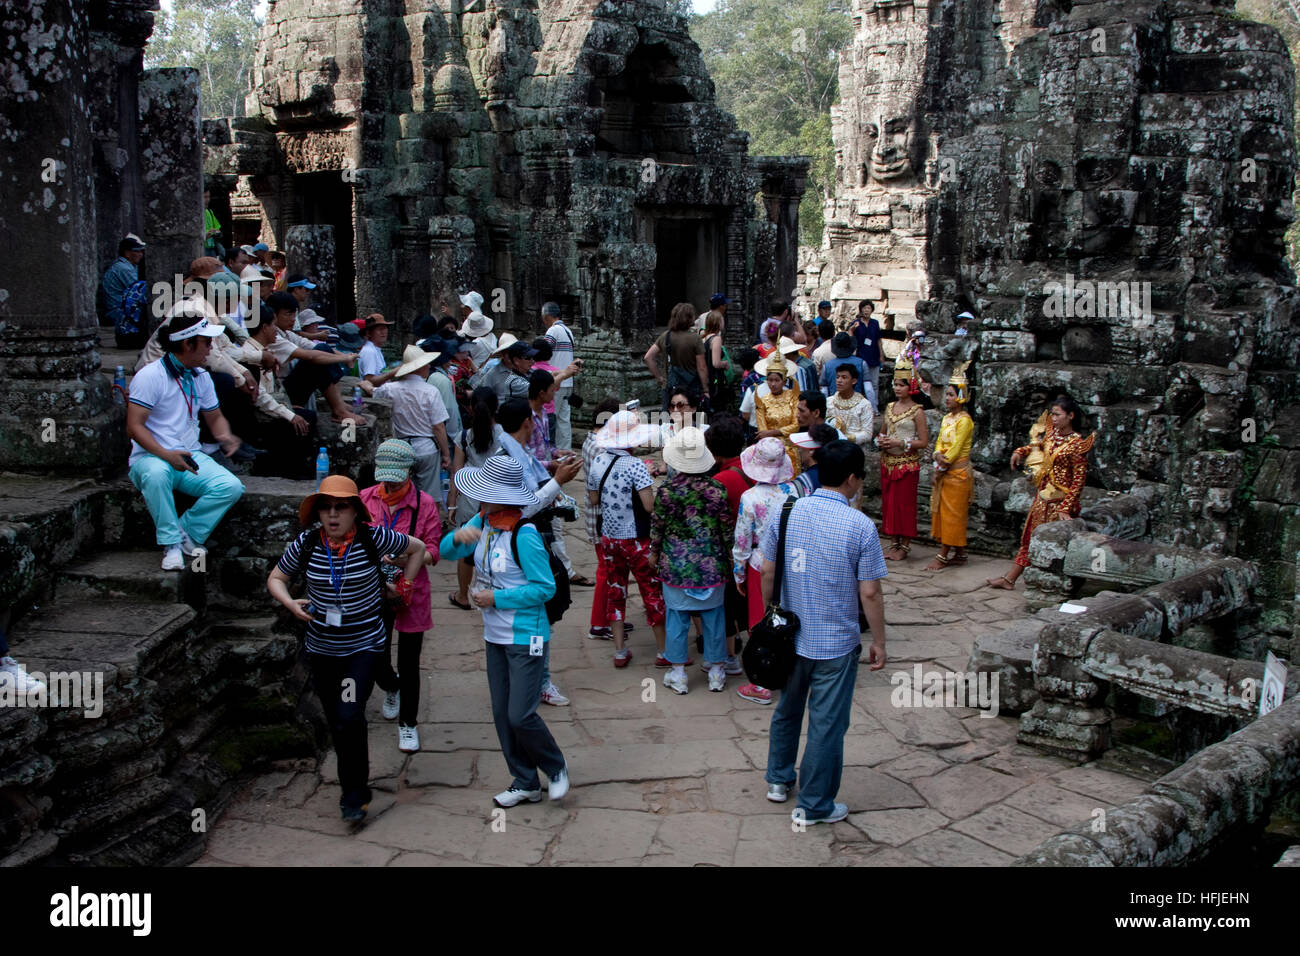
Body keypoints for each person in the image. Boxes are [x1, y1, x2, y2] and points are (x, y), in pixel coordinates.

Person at [268, 476, 427, 822]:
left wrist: (406, 585)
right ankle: (353, 785)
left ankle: (355, 796)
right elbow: (276, 578)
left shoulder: (374, 538)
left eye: (341, 507)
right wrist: (290, 604)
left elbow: (418, 548)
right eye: (326, 508)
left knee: (350, 715)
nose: (333, 515)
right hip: (322, 649)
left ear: (356, 511)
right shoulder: (306, 544)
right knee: (338, 722)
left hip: (362, 647)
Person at [761, 440, 887, 822]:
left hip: (789, 635)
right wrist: (879, 640)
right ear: (852, 479)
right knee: (827, 723)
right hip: (834, 640)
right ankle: (814, 804)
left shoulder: (786, 511)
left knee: (788, 709)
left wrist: (772, 611)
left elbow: (767, 571)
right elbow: (870, 591)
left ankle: (779, 780)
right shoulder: (860, 526)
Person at [439, 457, 570, 808]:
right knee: (501, 712)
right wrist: (458, 536)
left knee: (520, 714)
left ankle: (555, 767)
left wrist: (497, 597)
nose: (480, 499)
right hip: (493, 635)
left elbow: (545, 589)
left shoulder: (524, 535)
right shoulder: (483, 522)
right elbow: (445, 550)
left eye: (487, 493)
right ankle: (524, 780)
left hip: (526, 634)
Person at [126, 306, 247, 570]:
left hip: (190, 455)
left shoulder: (201, 376)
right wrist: (166, 454)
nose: (210, 348)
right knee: (157, 475)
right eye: (206, 342)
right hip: (150, 457)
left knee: (231, 486)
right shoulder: (149, 376)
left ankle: (186, 533)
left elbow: (213, 416)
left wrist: (226, 436)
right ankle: (170, 545)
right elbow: (134, 427)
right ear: (187, 344)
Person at [360, 440, 442, 753]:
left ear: (408, 472)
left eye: (396, 476)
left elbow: (433, 549)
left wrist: (408, 560)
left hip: (412, 589)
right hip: (375, 587)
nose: (390, 483)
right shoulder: (364, 500)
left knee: (409, 660)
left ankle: (408, 723)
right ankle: (390, 686)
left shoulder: (424, 504)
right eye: (386, 477)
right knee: (376, 653)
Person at [650, 428, 734, 695]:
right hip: (712, 564)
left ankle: (678, 673)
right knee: (714, 616)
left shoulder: (666, 492)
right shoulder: (717, 490)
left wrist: (654, 553)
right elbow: (726, 529)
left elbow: (658, 529)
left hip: (675, 566)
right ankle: (717, 670)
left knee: (677, 617)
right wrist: (731, 556)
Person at [988, 396, 1096, 590]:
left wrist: (1066, 507)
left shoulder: (1077, 445)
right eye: (1052, 414)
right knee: (1029, 538)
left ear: (1070, 416)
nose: (1053, 418)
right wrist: (1020, 451)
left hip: (1061, 503)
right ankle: (1010, 579)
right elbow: (1036, 446)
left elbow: (1079, 481)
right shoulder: (1052, 435)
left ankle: (1057, 585)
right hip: (1043, 498)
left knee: (1055, 545)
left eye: (1057, 414)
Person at [586, 409, 667, 668]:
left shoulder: (598, 462)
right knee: (651, 591)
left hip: (610, 538)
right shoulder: (635, 465)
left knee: (616, 590)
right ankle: (663, 651)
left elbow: (594, 499)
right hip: (636, 540)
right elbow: (649, 506)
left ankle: (620, 651)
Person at [731, 436, 800, 706]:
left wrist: (739, 571)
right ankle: (789, 669)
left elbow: (742, 539)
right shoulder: (794, 492)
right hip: (790, 561)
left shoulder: (750, 498)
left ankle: (761, 681)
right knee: (786, 614)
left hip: (760, 562)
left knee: (760, 619)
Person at [526, 369, 593, 590]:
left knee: (554, 525)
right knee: (543, 526)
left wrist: (557, 453)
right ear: (541, 392)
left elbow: (544, 447)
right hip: (532, 480)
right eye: (552, 390)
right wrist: (552, 465)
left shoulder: (543, 414)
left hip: (545, 476)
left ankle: (564, 569)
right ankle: (560, 570)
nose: (554, 394)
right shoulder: (526, 417)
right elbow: (525, 456)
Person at [262, 291, 364, 425]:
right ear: (274, 316)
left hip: (290, 387)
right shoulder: (275, 338)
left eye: (294, 314)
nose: (293, 319)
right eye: (288, 314)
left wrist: (346, 356)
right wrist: (343, 359)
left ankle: (340, 405)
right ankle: (338, 411)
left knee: (323, 348)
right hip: (281, 393)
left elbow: (311, 346)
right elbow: (309, 355)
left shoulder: (288, 334)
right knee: (319, 355)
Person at [367, 345, 451, 505]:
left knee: (401, 495)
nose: (428, 366)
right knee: (428, 496)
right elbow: (438, 426)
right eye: (425, 364)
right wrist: (446, 454)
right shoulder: (431, 391)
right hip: (426, 447)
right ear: (419, 367)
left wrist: (390, 374)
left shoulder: (390, 389)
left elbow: (368, 387)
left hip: (401, 448)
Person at [447, 387, 503, 612]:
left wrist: (452, 503)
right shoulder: (505, 434)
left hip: (470, 497)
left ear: (471, 408)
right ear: (495, 408)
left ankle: (462, 594)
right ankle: (496, 592)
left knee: (466, 547)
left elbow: (456, 472)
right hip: (498, 497)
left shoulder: (464, 436)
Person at [704, 414, 753, 667]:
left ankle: (729, 658)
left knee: (727, 606)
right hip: (754, 550)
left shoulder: (721, 481)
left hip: (730, 552)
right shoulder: (750, 469)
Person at [876, 352, 929, 561]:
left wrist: (900, 443)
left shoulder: (917, 411)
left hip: (906, 464)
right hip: (888, 462)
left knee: (904, 505)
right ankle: (893, 542)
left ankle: (905, 545)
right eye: (895, 384)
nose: (897, 388)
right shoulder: (890, 407)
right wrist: (881, 441)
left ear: (911, 387)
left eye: (902, 385)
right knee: (890, 504)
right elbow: (882, 431)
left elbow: (923, 442)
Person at [927, 362, 975, 571]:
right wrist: (937, 455)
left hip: (957, 471)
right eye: (946, 395)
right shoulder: (947, 418)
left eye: (951, 395)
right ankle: (960, 553)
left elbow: (955, 449)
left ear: (961, 396)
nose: (947, 398)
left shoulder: (965, 421)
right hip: (945, 468)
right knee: (946, 513)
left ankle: (943, 554)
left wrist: (942, 463)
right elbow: (940, 442)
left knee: (953, 515)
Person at [644, 302, 708, 411]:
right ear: (689, 318)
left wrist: (660, 378)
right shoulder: (695, 339)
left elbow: (648, 358)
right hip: (691, 387)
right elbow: (701, 367)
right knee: (691, 422)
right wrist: (706, 389)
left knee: (668, 421)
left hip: (670, 387)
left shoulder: (666, 336)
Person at [754, 351, 802, 476]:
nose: (773, 384)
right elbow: (762, 431)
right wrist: (769, 436)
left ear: (784, 381)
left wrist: (774, 432)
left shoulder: (793, 397)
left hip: (790, 449)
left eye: (777, 380)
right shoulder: (763, 401)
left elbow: (796, 425)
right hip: (770, 450)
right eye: (770, 380)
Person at [540, 302, 580, 451]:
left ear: (547, 316)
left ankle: (550, 451)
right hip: (567, 381)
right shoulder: (568, 331)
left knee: (550, 417)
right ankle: (566, 451)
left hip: (556, 381)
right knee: (564, 420)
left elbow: (543, 351)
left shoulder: (553, 331)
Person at [98, 234, 147, 347]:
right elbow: (140, 290)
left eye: (141, 251)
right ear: (127, 253)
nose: (141, 254)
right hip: (116, 311)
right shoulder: (123, 268)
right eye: (137, 251)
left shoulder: (129, 266)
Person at [826, 363, 874, 449]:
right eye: (837, 377)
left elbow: (867, 434)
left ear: (854, 381)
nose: (839, 380)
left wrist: (845, 438)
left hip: (854, 449)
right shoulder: (829, 401)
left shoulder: (864, 404)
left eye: (844, 377)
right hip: (832, 448)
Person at [478, 336, 536, 405]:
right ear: (502, 354)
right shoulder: (492, 374)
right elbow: (481, 394)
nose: (509, 354)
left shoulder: (526, 369)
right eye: (506, 352)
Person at [821, 332, 872, 403]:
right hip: (856, 404)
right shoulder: (861, 363)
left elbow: (824, 391)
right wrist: (873, 407)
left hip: (834, 405)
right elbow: (869, 389)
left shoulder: (827, 366)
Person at [791, 423, 840, 497]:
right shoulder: (840, 474)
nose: (799, 450)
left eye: (800, 447)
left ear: (811, 450)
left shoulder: (803, 480)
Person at [849, 299, 883, 406]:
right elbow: (850, 338)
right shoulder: (856, 323)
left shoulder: (875, 323)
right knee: (860, 383)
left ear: (872, 310)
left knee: (874, 383)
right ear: (861, 310)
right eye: (864, 308)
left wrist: (881, 354)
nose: (866, 311)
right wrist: (852, 330)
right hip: (861, 356)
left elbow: (878, 339)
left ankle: (874, 406)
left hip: (874, 355)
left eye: (868, 308)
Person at [701, 309, 734, 412]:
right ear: (718, 323)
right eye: (722, 320)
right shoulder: (716, 339)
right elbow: (716, 363)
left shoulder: (704, 337)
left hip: (707, 377)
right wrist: (725, 364)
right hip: (715, 379)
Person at [357, 314, 396, 385]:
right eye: (380, 329)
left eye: (385, 328)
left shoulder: (375, 349)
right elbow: (369, 380)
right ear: (369, 333)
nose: (383, 332)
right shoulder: (369, 351)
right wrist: (391, 374)